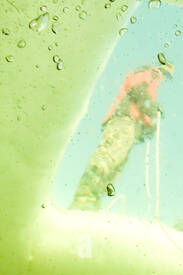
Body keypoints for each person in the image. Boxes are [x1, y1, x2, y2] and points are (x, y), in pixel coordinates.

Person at [71, 63, 174, 211]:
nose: (165, 77)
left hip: (131, 125)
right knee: (109, 157)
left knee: (115, 167)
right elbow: (136, 90)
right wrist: (152, 107)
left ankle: (92, 203)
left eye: (168, 76)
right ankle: (84, 198)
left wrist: (148, 125)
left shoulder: (153, 82)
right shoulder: (149, 73)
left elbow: (142, 105)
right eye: (165, 73)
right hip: (123, 119)